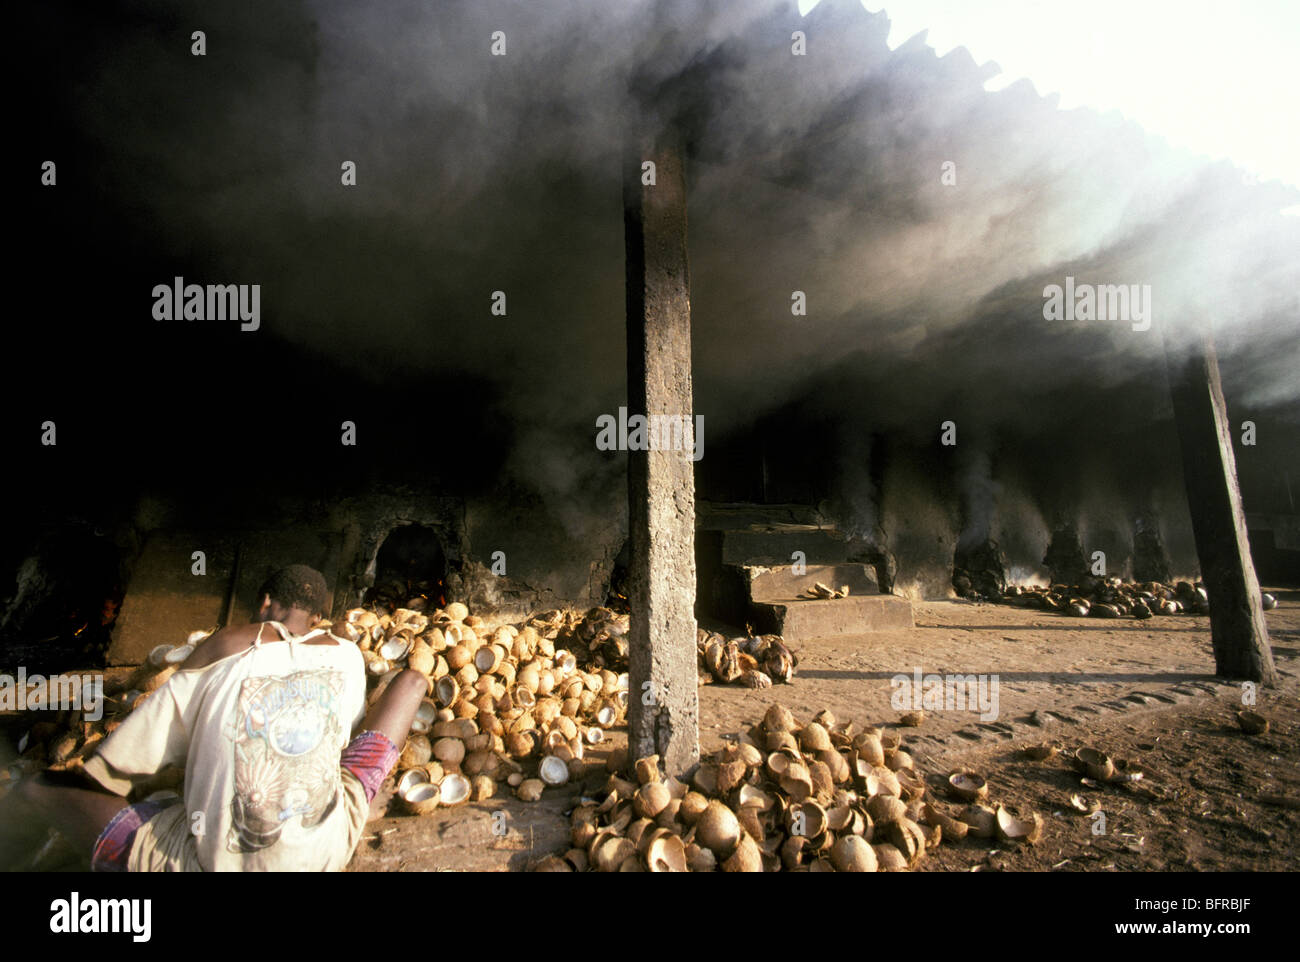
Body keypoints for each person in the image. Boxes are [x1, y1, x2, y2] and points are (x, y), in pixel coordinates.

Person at [9, 564, 426, 871]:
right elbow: (342, 734)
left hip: (212, 865)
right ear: (318, 618)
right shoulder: (347, 653)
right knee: (409, 685)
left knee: (39, 788)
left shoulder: (225, 643)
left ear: (264, 603)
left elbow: (121, 766)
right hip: (325, 851)